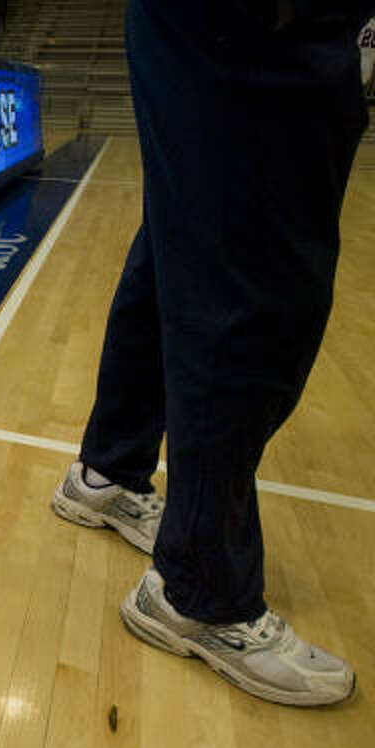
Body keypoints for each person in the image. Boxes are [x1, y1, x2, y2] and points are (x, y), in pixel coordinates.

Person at [50, 0, 371, 706]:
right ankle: (198, 590)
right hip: (264, 19)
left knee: (187, 232)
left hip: (231, 20)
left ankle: (109, 470)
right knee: (256, 274)